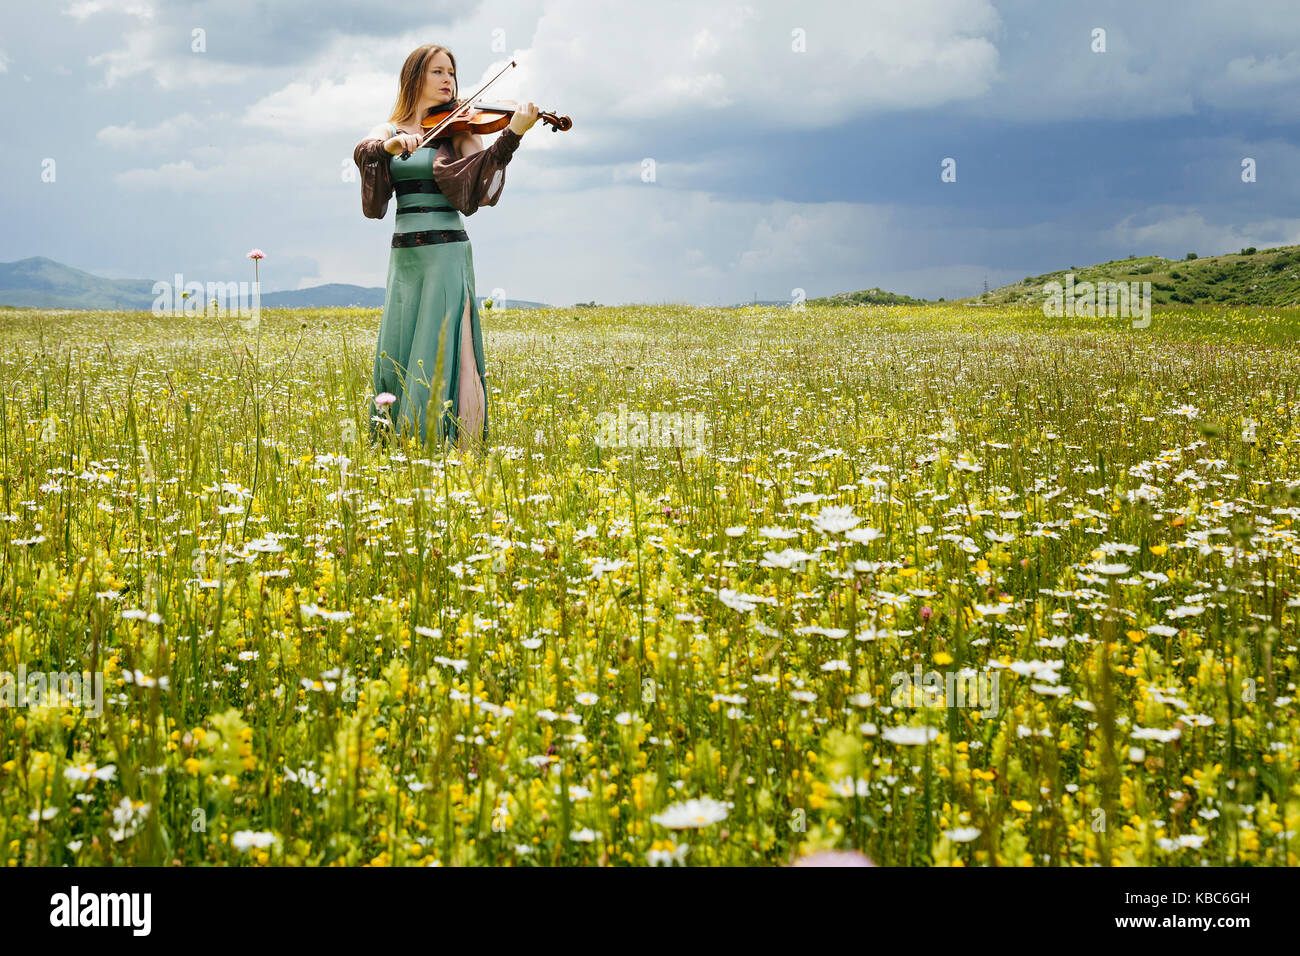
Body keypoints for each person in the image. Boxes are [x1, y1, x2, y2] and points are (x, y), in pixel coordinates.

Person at [353, 43, 539, 452]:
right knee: (401, 343)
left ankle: (453, 442)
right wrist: (391, 146)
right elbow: (363, 153)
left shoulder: (461, 131)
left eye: (451, 73)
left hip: (447, 252)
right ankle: (396, 442)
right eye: (438, 72)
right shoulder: (389, 127)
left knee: (445, 343)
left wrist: (513, 135)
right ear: (415, 77)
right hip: (405, 257)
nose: (448, 81)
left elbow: (486, 184)